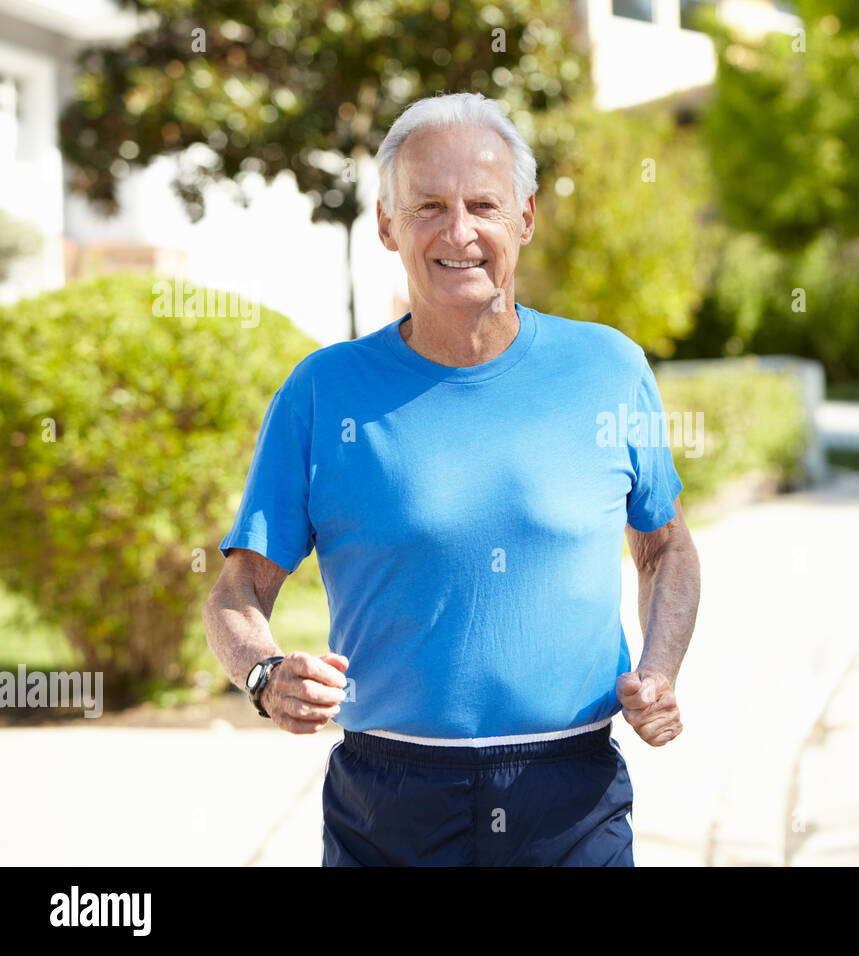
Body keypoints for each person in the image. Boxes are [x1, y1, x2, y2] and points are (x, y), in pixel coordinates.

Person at [202, 91, 701, 866]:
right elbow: (236, 593)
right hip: (387, 801)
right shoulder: (321, 392)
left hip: (571, 796)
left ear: (525, 218)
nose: (458, 231)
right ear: (386, 224)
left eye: (483, 205)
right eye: (428, 205)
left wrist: (660, 671)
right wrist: (266, 674)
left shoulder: (609, 368)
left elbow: (665, 549)